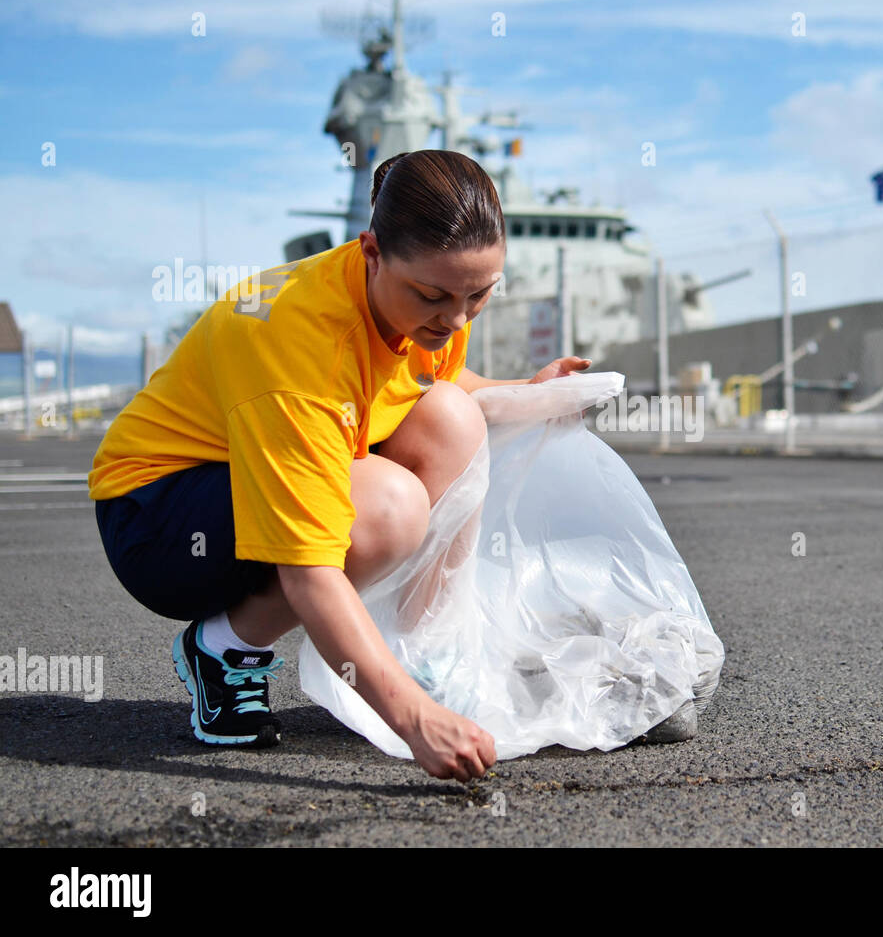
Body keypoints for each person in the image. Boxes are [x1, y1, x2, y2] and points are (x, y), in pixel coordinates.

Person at [88, 149, 591, 783]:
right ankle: (225, 648)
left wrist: (531, 392)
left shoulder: (426, 302)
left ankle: (422, 656)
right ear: (371, 252)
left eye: (480, 294)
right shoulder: (300, 346)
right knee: (387, 508)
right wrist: (414, 723)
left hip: (239, 477)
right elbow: (310, 572)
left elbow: (434, 379)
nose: (457, 318)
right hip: (158, 516)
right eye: (435, 296)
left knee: (452, 418)